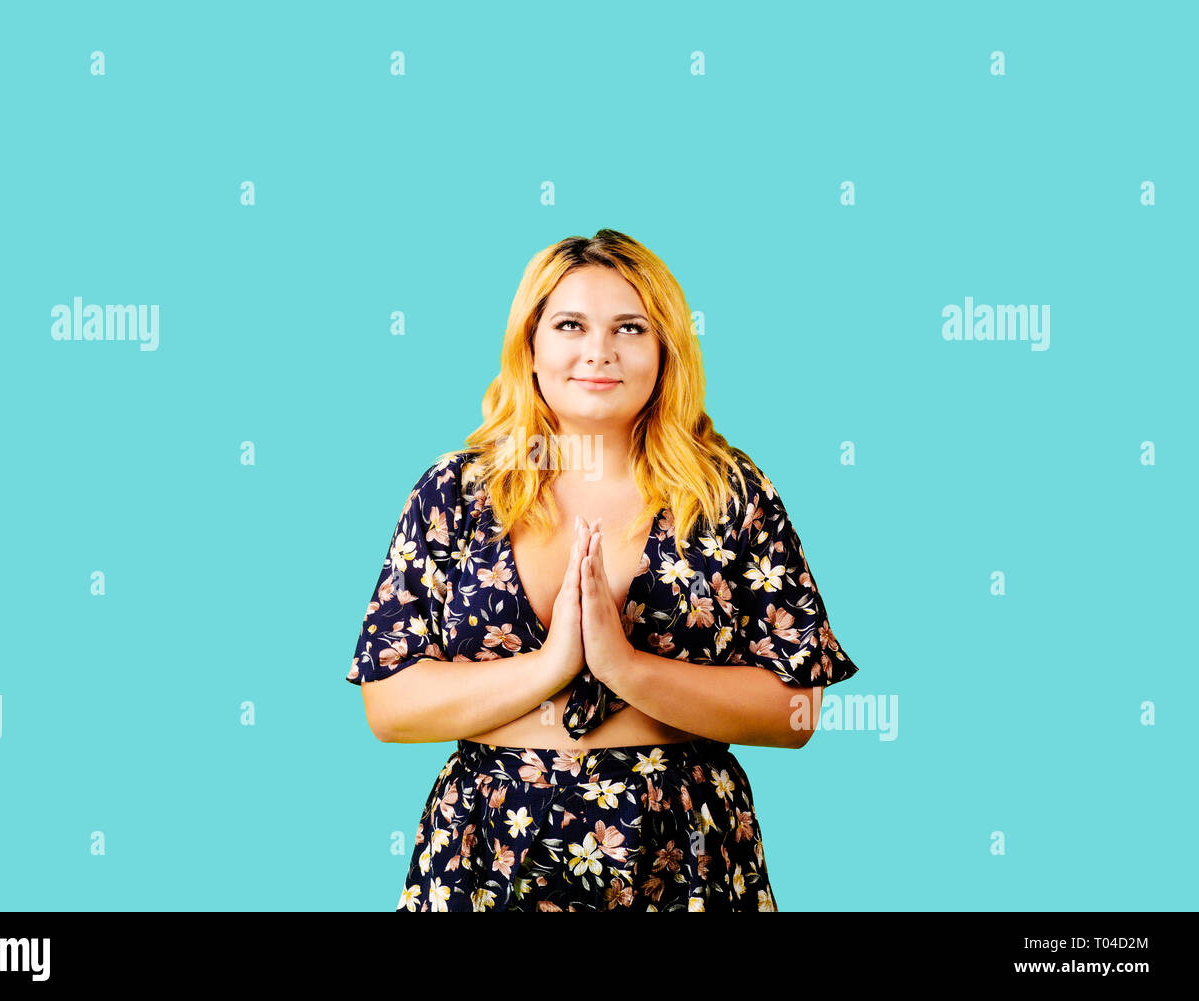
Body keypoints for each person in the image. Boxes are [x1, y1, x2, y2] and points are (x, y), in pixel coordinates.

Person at [346, 229, 860, 911]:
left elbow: (793, 711)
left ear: (664, 349)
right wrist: (548, 666)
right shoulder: (455, 492)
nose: (599, 351)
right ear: (530, 346)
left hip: (682, 844)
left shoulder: (730, 493)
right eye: (569, 325)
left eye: (629, 327)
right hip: (488, 843)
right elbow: (388, 702)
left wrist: (625, 667)